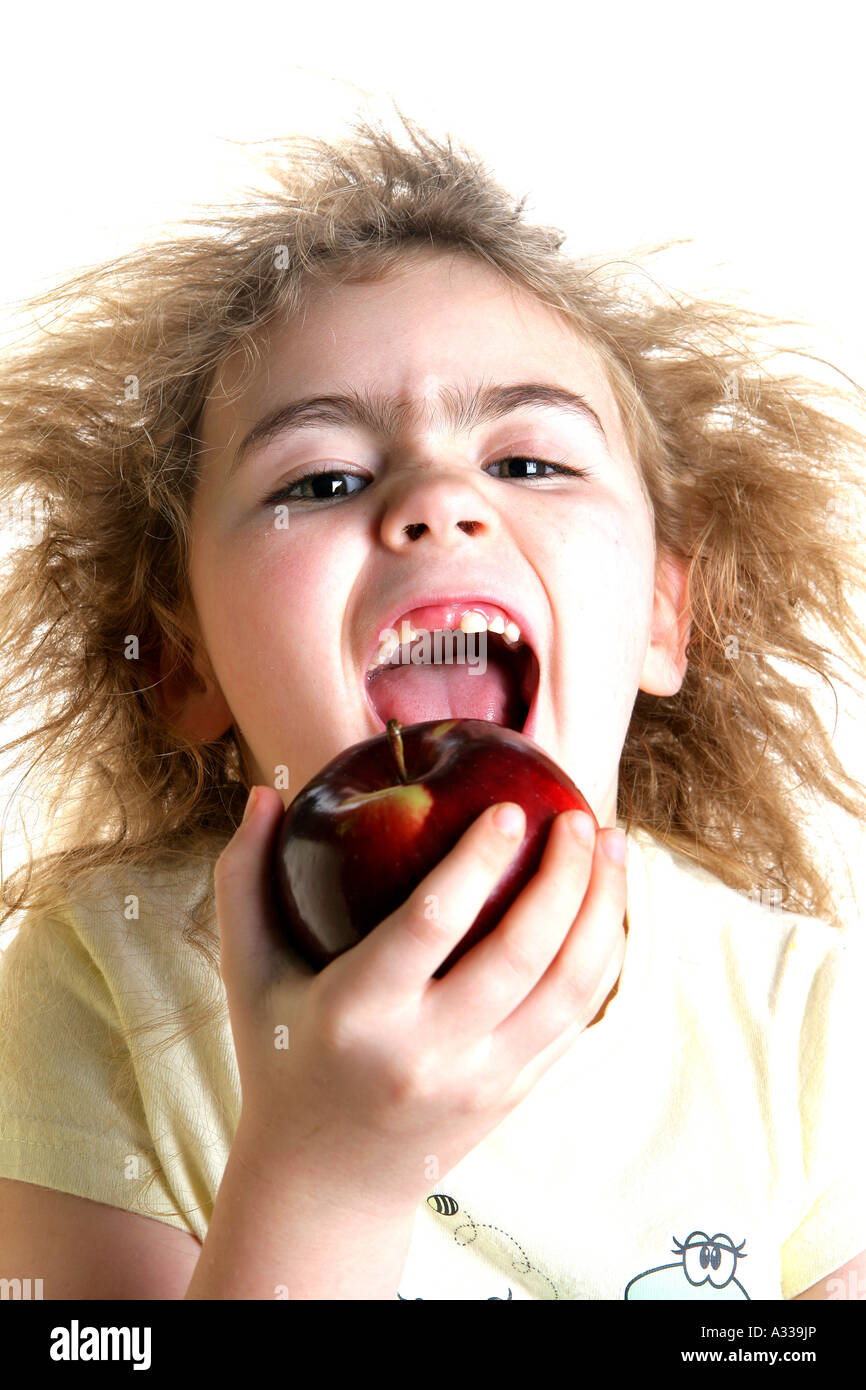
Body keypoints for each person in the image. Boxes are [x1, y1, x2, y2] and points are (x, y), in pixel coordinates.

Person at [0, 111, 864, 1302]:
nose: (438, 502)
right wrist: (323, 1176)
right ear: (183, 661)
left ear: (666, 614)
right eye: (324, 479)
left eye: (527, 463)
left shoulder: (807, 1027)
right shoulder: (102, 980)